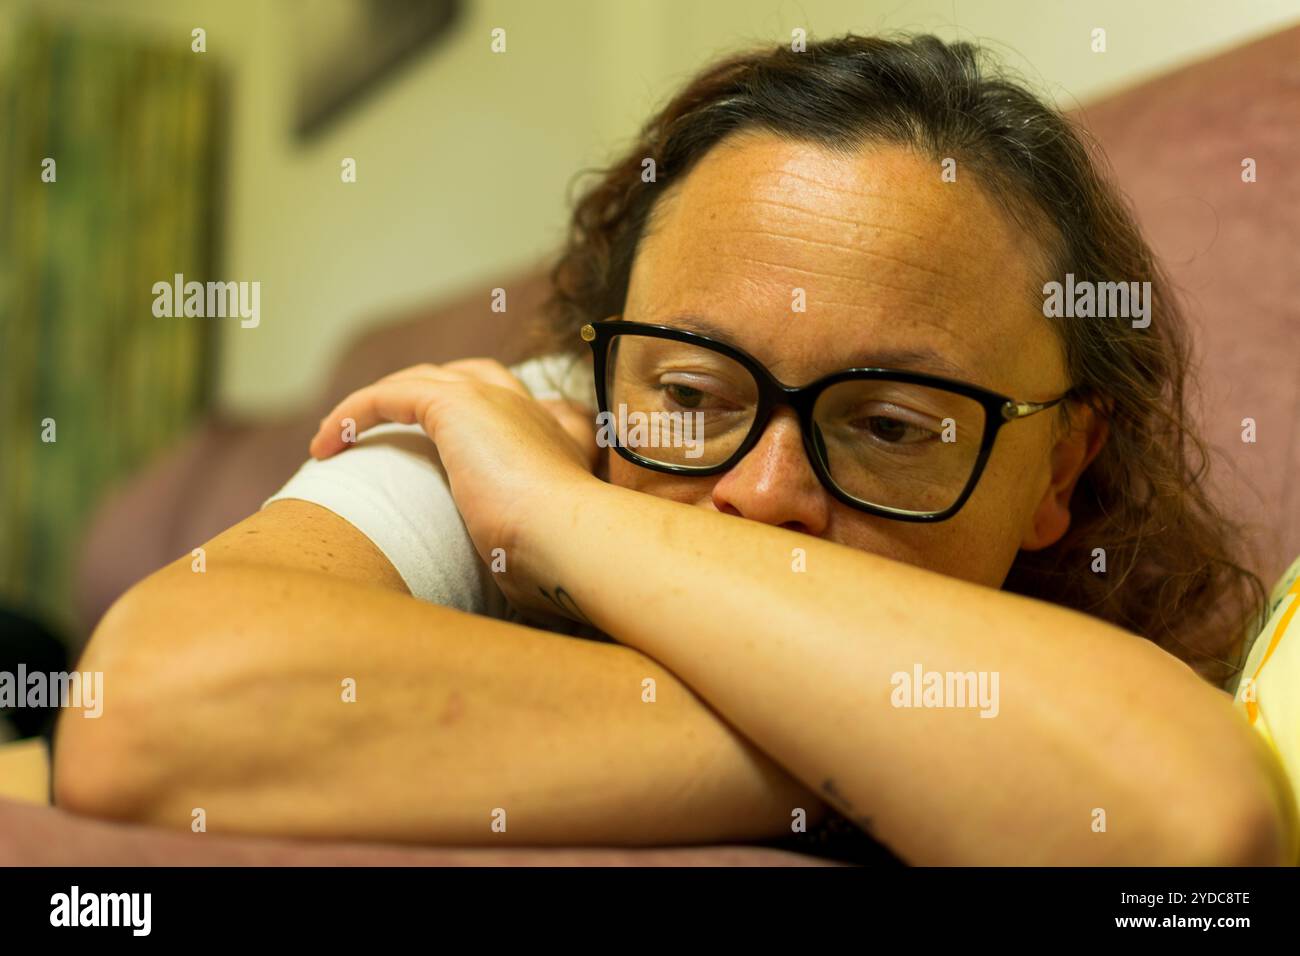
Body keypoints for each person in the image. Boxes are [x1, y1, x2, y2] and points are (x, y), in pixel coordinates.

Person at [53, 34, 1297, 865]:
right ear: (596, 375)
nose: (760, 492)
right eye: (693, 396)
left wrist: (565, 516)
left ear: (1061, 472)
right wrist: (906, 748)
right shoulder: (511, 415)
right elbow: (147, 708)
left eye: (887, 427)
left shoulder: (533, 476)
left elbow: (1189, 818)